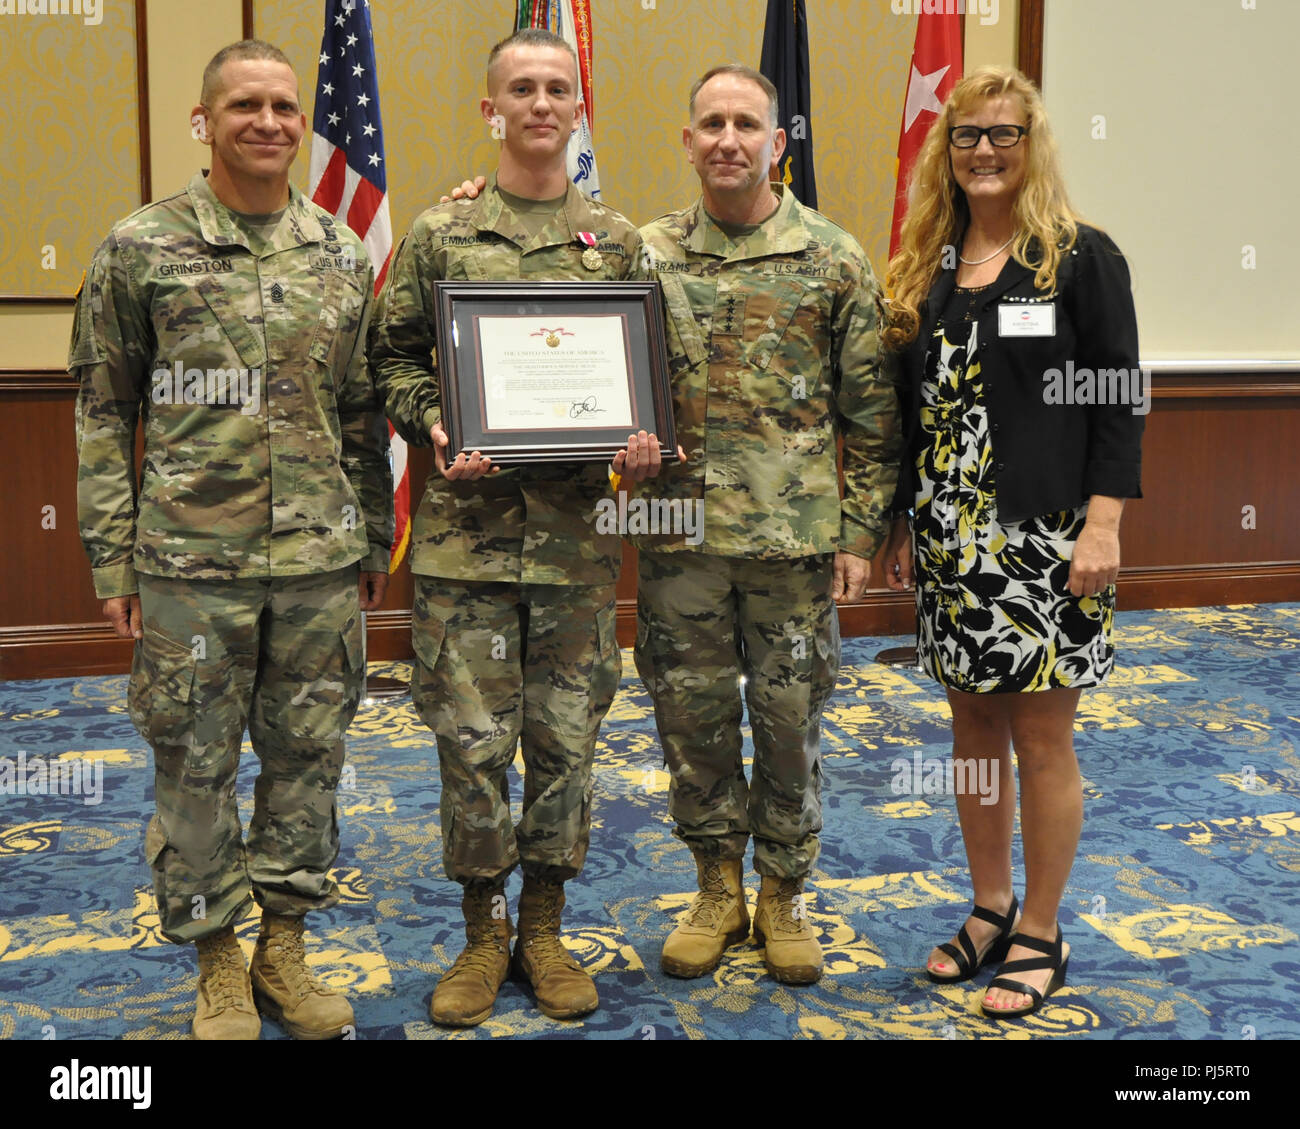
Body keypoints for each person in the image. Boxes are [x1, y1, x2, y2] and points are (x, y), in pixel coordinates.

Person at [71, 40, 393, 1040]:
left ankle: (284, 950)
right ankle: (216, 957)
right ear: (204, 123)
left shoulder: (340, 252)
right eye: (245, 105)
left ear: (303, 124)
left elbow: (359, 410)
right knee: (195, 764)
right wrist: (110, 556)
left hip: (316, 564)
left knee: (309, 758)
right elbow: (99, 412)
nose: (268, 122)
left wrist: (374, 535)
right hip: (186, 568)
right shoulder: (140, 247)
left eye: (285, 107)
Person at [368, 28, 667, 1027]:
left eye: (557, 89)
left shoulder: (620, 243)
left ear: (579, 109)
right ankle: (482, 932)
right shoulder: (439, 235)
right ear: (488, 109)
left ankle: (543, 927)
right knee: (470, 741)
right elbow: (391, 361)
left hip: (577, 548)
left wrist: (638, 446)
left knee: (567, 739)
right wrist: (437, 420)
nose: (541, 104)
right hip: (468, 543)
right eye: (520, 90)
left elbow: (648, 381)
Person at [881, 65, 1144, 1018]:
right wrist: (908, 519)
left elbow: (1118, 397)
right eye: (967, 136)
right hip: (953, 541)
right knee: (970, 728)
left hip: (1048, 540)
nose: (984, 151)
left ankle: (1041, 925)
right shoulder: (932, 266)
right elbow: (919, 410)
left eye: (1003, 134)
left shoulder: (1078, 258)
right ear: (944, 154)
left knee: (1041, 734)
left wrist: (1104, 523)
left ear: (1030, 148)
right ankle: (989, 904)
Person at [631, 65, 900, 986]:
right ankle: (715, 886)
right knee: (692, 720)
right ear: (688, 139)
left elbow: (872, 413)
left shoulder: (832, 256)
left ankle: (781, 891)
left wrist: (861, 536)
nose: (728, 140)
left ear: (777, 143)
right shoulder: (645, 255)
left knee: (789, 722)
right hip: (679, 541)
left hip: (792, 545)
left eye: (747, 123)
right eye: (711, 122)